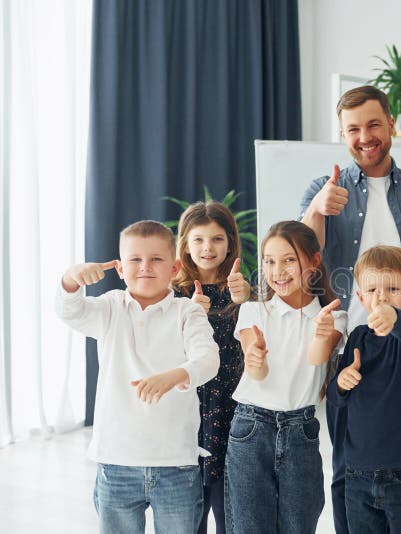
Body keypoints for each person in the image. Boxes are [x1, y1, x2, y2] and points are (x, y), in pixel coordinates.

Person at [299, 84, 401, 533]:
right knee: (346, 454)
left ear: (391, 124)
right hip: (344, 338)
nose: (364, 136)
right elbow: (303, 252)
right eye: (353, 128)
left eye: (373, 124)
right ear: (342, 134)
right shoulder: (324, 187)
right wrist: (317, 208)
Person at [55, 220, 220, 533]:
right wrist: (70, 279)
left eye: (156, 259)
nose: (145, 267)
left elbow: (208, 359)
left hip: (176, 463)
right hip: (116, 460)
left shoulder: (188, 312)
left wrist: (176, 375)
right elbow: (70, 312)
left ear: (174, 268)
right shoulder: (110, 308)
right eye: (135, 259)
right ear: (120, 268)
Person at [225, 221, 346, 534]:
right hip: (250, 429)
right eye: (269, 261)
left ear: (314, 261)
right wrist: (255, 359)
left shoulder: (333, 317)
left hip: (300, 430)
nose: (278, 271)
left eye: (289, 260)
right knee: (251, 526)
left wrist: (321, 333)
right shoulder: (253, 311)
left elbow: (317, 358)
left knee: (299, 523)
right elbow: (257, 372)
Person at [327, 245, 401, 533]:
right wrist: (341, 381)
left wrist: (396, 319)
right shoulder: (358, 338)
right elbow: (337, 398)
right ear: (361, 297)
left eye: (393, 288)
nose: (382, 297)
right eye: (372, 289)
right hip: (357, 474)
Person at [172, 201, 251, 533]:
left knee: (229, 510)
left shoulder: (245, 291)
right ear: (186, 245)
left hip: (232, 412)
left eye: (217, 239)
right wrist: (190, 314)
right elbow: (162, 354)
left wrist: (249, 302)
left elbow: (264, 346)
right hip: (187, 410)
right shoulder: (172, 294)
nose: (208, 248)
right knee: (189, 511)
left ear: (230, 243)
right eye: (199, 239)